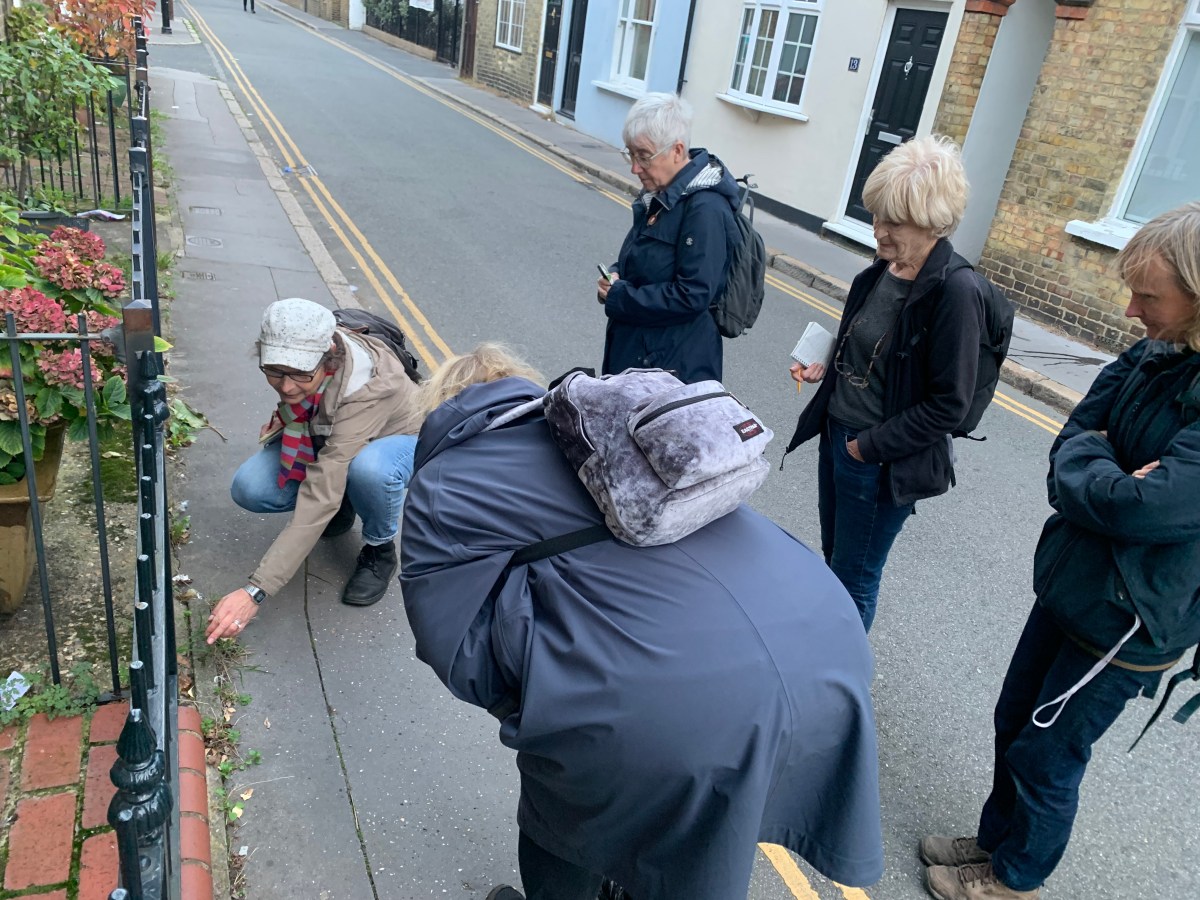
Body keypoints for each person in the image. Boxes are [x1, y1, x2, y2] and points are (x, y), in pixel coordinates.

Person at [400, 344, 884, 900]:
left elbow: (459, 653)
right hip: (823, 633)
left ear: (436, 410)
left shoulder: (444, 481)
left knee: (566, 820)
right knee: (703, 824)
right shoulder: (597, 428)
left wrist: (546, 692)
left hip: (675, 697)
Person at [919, 201, 1200, 900]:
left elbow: (1149, 506)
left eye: (1148, 295)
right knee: (1014, 718)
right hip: (1078, 579)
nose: (1131, 310)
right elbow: (1075, 436)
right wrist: (1105, 469)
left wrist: (1103, 474)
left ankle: (1016, 878)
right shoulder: (1157, 351)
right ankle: (993, 843)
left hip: (1132, 616)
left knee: (1049, 753)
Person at [783, 135, 981, 632]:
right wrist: (824, 364)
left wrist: (863, 450)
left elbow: (948, 406)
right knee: (836, 564)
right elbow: (874, 350)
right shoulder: (881, 273)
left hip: (876, 460)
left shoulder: (955, 293)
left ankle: (836, 687)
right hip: (840, 437)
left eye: (893, 221)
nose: (878, 231)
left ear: (934, 220)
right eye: (876, 215)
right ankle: (825, 664)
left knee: (854, 579)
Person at [205, 298, 422, 644]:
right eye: (275, 371)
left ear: (329, 358)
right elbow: (319, 440)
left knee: (369, 471)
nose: (287, 387)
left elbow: (320, 491)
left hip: (398, 440)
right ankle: (345, 504)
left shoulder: (366, 387)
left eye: (301, 375)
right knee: (250, 487)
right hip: (332, 435)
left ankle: (379, 549)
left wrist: (255, 590)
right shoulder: (305, 355)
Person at [596, 93, 740, 384]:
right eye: (630, 154)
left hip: (670, 371)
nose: (634, 167)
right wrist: (617, 273)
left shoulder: (705, 209)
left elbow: (693, 295)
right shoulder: (661, 196)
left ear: (677, 150)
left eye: (644, 156)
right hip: (643, 359)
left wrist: (621, 295)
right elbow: (649, 262)